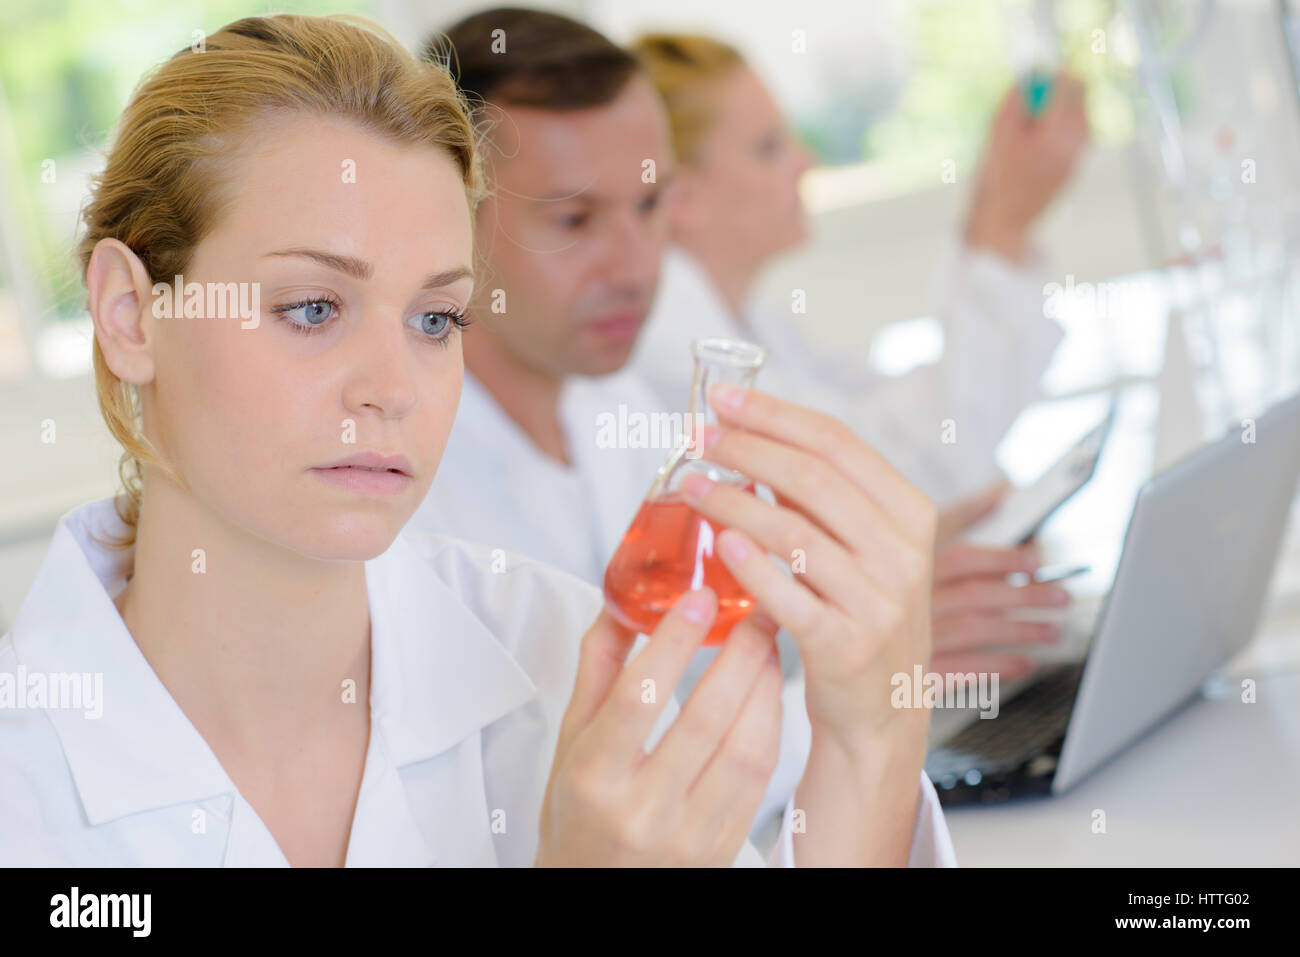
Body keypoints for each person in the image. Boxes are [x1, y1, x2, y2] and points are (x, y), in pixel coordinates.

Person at [0, 13, 950, 867]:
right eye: (314, 306)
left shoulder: (556, 652)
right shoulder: (25, 774)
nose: (392, 392)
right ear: (130, 314)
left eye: (435, 320)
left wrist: (871, 741)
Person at [412, 8, 1065, 845]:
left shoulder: (616, 412)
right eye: (574, 220)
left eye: (650, 206)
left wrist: (868, 622)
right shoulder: (410, 504)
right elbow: (598, 803)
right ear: (447, 220)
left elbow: (703, 671)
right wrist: (860, 703)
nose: (635, 264)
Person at [627, 32, 1091, 511]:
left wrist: (990, 218)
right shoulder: (674, 343)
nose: (807, 160)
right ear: (679, 197)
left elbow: (894, 419)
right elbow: (907, 474)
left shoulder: (752, 317)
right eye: (769, 147)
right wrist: (1003, 225)